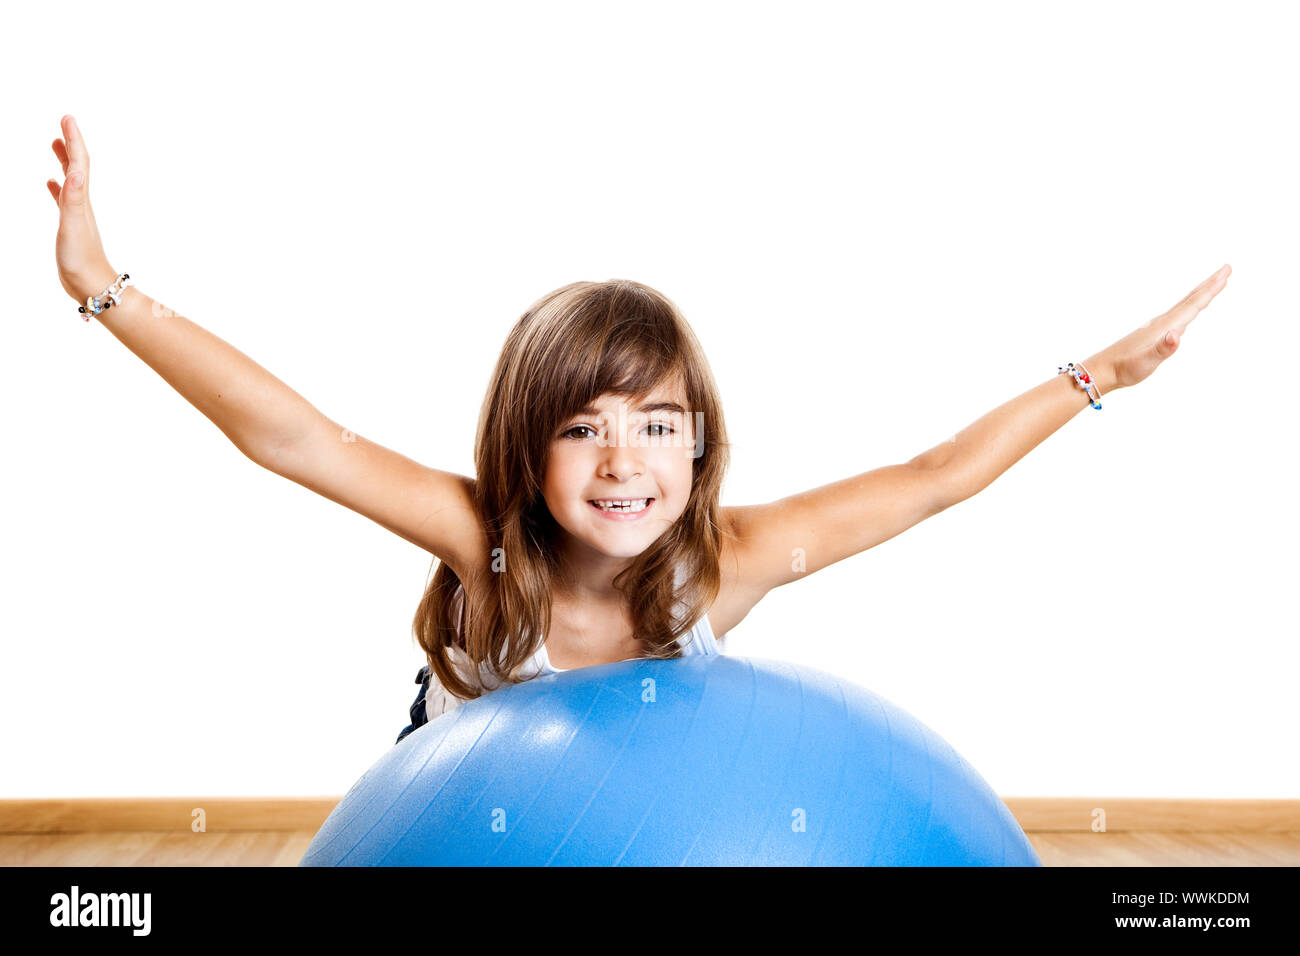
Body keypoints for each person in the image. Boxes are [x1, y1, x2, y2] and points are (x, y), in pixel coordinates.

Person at [46, 114, 1231, 746]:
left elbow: (932, 478)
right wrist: (104, 288)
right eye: (582, 428)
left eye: (660, 425)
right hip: (471, 807)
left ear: (699, 446)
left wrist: (1102, 375)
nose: (625, 462)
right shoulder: (482, 538)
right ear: (526, 449)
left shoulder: (728, 561)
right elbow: (301, 438)